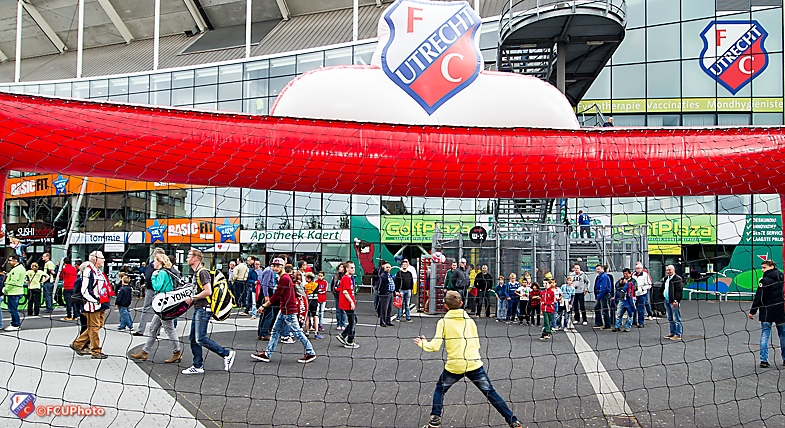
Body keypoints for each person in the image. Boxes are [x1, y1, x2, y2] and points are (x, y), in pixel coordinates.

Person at [415, 291, 522, 428]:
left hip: (455, 365)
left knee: (440, 389)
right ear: (461, 304)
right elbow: (476, 343)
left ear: (446, 306)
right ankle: (513, 421)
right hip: (474, 363)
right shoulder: (470, 321)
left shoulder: (443, 322)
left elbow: (435, 346)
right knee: (491, 393)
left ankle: (435, 418)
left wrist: (422, 343)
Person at [182, 249, 236, 374]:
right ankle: (197, 365)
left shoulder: (202, 272)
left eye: (188, 256)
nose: (186, 259)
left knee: (200, 338)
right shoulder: (196, 273)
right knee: (193, 338)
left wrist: (192, 298)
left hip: (204, 309)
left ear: (195, 258)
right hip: (198, 308)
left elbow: (208, 291)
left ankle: (227, 353)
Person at [252, 263, 317, 363]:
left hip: (288, 310)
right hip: (284, 310)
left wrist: (264, 305)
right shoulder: (284, 278)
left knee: (297, 332)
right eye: (274, 266)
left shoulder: (284, 278)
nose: (276, 268)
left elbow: (277, 295)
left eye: (278, 266)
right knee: (275, 332)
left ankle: (310, 352)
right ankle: (267, 354)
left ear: (283, 266)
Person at [130, 253, 183, 363]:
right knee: (153, 328)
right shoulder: (166, 272)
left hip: (164, 305)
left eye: (155, 261)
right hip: (164, 304)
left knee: (169, 329)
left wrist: (154, 276)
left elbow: (157, 286)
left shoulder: (162, 273)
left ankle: (177, 352)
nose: (153, 263)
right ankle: (145, 352)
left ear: (160, 262)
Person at [70, 251, 112, 359]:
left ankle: (77, 344)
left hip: (101, 303)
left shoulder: (98, 272)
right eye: (102, 258)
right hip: (92, 305)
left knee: (97, 326)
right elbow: (85, 291)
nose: (104, 260)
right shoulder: (88, 271)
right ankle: (96, 351)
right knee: (94, 328)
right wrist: (95, 300)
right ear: (95, 259)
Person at [749, 260, 785, 368]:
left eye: (764, 267)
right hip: (781, 311)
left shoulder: (764, 281)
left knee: (765, 334)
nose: (762, 270)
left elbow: (759, 297)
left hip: (767, 311)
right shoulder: (783, 278)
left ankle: (764, 360)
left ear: (772, 266)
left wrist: (752, 311)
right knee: (783, 335)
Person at [134, 248, 166, 336]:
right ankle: (156, 330)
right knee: (159, 310)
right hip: (159, 290)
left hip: (153, 289)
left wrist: (147, 284)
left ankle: (141, 330)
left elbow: (148, 276)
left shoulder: (152, 266)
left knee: (147, 309)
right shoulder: (165, 267)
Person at [257, 258, 282, 340]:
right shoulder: (269, 271)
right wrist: (266, 295)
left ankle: (261, 333)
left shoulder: (268, 270)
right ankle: (264, 333)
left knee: (265, 314)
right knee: (268, 314)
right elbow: (265, 284)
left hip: (268, 291)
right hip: (267, 292)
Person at [336, 261, 359, 348]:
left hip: (348, 303)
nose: (353, 269)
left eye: (354, 267)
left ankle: (343, 335)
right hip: (347, 304)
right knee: (352, 321)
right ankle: (349, 341)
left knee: (354, 320)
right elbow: (345, 292)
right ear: (347, 269)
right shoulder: (346, 278)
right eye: (351, 268)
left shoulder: (349, 278)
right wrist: (351, 302)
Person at [3, 255, 26, 331]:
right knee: (13, 309)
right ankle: (14, 323)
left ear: (15, 261)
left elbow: (13, 281)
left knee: (13, 309)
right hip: (17, 291)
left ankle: (15, 324)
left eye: (10, 260)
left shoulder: (16, 269)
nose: (8, 262)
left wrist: (5, 289)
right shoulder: (21, 268)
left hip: (14, 292)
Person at [662, 264, 684, 341]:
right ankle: (672, 332)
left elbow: (679, 290)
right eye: (667, 270)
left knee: (676, 318)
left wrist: (676, 300)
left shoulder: (677, 279)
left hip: (673, 301)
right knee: (670, 318)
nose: (668, 271)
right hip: (667, 300)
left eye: (669, 270)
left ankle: (678, 334)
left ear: (673, 270)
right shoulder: (666, 279)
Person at [632, 262, 652, 327]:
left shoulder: (645, 275)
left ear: (641, 269)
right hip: (634, 294)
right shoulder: (633, 274)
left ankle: (641, 322)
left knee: (641, 308)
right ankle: (633, 321)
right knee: (633, 308)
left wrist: (643, 288)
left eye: (638, 268)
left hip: (642, 294)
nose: (637, 270)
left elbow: (649, 284)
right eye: (636, 268)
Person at [593, 264, 612, 330]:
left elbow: (603, 287)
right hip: (600, 294)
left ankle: (607, 325)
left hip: (604, 294)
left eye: (599, 269)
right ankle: (599, 323)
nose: (597, 270)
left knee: (605, 309)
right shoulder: (599, 276)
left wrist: (599, 296)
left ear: (602, 269)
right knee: (597, 308)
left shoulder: (604, 276)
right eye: (597, 269)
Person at [377, 262, 395, 327]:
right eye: (387, 267)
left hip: (391, 293)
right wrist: (381, 291)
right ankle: (383, 322)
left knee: (389, 308)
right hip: (385, 293)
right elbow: (379, 285)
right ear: (384, 268)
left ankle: (388, 321)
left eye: (389, 267)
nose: (388, 268)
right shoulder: (383, 276)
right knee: (384, 308)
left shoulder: (390, 275)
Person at [331, 263, 347, 330]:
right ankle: (338, 324)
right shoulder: (336, 276)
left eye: (341, 267)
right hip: (337, 294)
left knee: (343, 310)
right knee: (338, 310)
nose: (340, 268)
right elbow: (332, 283)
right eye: (339, 267)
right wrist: (333, 290)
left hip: (343, 295)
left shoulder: (346, 276)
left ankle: (342, 324)